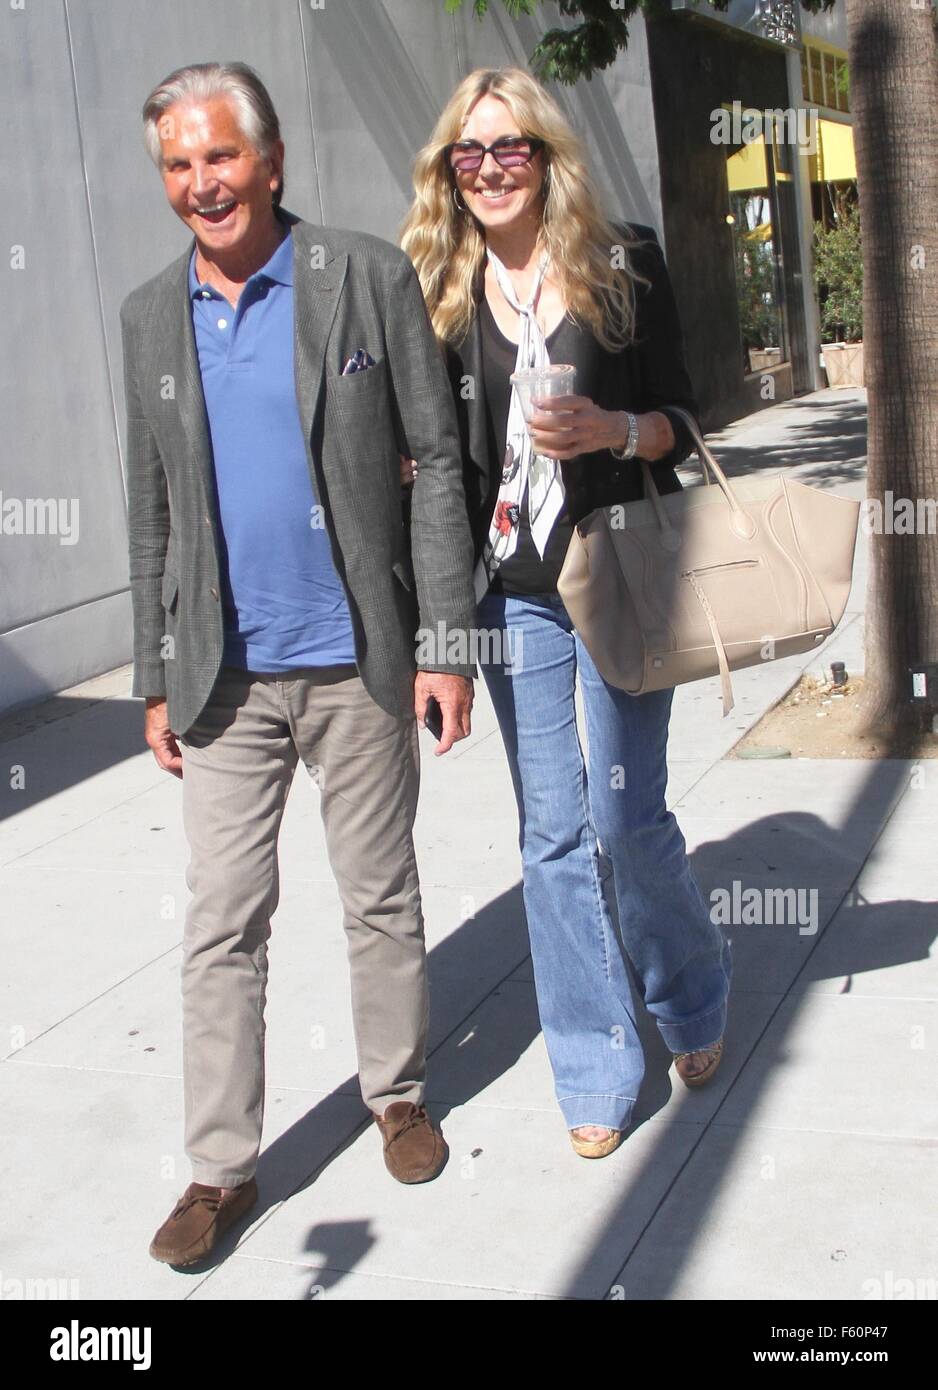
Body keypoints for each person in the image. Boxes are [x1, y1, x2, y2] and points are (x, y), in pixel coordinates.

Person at [122, 61, 476, 1265]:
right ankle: (219, 1169)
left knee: (378, 892)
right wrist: (154, 674)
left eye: (220, 156)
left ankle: (397, 1095)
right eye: (178, 164)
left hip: (356, 658)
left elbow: (436, 460)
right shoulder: (149, 315)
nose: (201, 183)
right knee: (222, 919)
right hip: (222, 678)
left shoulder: (363, 277)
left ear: (269, 161)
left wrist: (443, 643)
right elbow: (149, 511)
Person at [401, 67, 731, 1159]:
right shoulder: (439, 289)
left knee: (626, 818)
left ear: (546, 158)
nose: (491, 169)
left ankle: (689, 992)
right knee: (550, 832)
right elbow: (434, 470)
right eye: (470, 152)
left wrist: (614, 431)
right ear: (450, 171)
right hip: (515, 592)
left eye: (512, 148)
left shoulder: (621, 261)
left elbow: (682, 415)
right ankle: (594, 1062)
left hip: (622, 568)